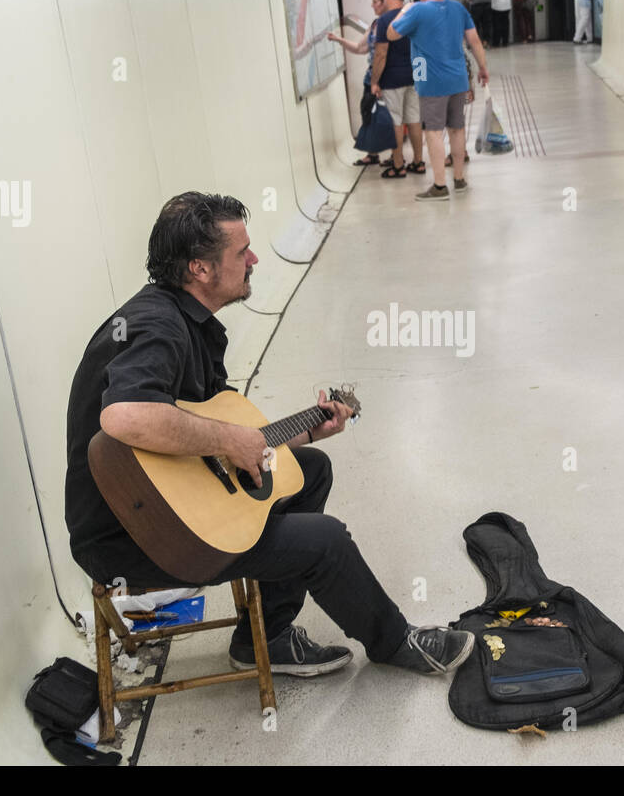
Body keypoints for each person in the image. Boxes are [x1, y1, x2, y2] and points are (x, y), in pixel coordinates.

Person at [64, 192, 476, 677]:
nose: (255, 259)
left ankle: (269, 636)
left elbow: (221, 440)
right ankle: (395, 643)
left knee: (310, 470)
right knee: (325, 540)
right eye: (242, 252)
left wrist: (306, 433)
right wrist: (227, 441)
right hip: (134, 533)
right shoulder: (157, 327)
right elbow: (125, 418)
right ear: (199, 268)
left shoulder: (190, 323)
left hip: (166, 500)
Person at [387, 0, 489, 201]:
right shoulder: (458, 8)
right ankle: (460, 180)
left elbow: (391, 33)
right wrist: (483, 67)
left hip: (430, 80)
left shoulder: (416, 10)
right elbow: (474, 40)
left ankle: (440, 186)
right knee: (457, 128)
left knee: (433, 131)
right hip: (458, 79)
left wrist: (403, 10)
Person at [327, 0, 388, 165]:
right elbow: (360, 48)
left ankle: (395, 158)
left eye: (375, 2)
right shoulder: (375, 24)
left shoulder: (392, 23)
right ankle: (373, 153)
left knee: (390, 118)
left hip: (384, 79)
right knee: (368, 113)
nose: (372, 5)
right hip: (372, 78)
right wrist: (339, 40)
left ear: (385, 1)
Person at [372, 0, 425, 178]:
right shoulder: (415, 16)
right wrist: (422, 77)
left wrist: (374, 81)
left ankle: (398, 164)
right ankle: (419, 162)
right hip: (415, 77)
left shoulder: (385, 21)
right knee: (414, 119)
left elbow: (381, 54)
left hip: (392, 78)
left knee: (395, 120)